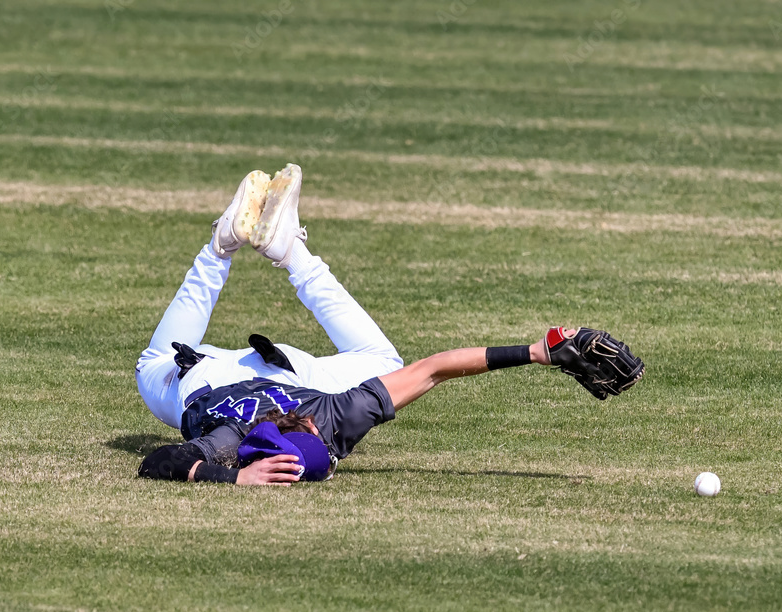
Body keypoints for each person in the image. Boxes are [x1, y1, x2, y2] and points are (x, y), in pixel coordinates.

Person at [136, 164, 644, 486]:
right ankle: (240, 244)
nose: (335, 456)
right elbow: (434, 369)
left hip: (208, 374)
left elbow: (158, 461)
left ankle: (247, 247)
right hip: (261, 372)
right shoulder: (323, 417)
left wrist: (538, 351)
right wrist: (537, 350)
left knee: (154, 365)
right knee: (153, 363)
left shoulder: (244, 435)